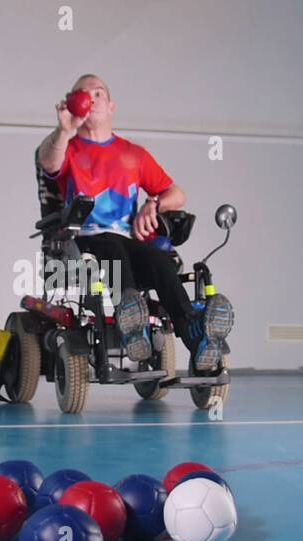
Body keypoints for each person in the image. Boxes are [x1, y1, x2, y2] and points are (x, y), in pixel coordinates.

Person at [36, 74, 233, 372]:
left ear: (111, 106)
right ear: (74, 104)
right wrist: (64, 131)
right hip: (82, 239)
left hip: (127, 241)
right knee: (113, 247)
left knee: (159, 259)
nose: (91, 98)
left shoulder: (133, 154)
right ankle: (133, 324)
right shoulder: (67, 148)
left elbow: (176, 194)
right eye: (82, 94)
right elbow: (47, 163)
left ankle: (194, 334)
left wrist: (153, 204)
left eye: (98, 93)